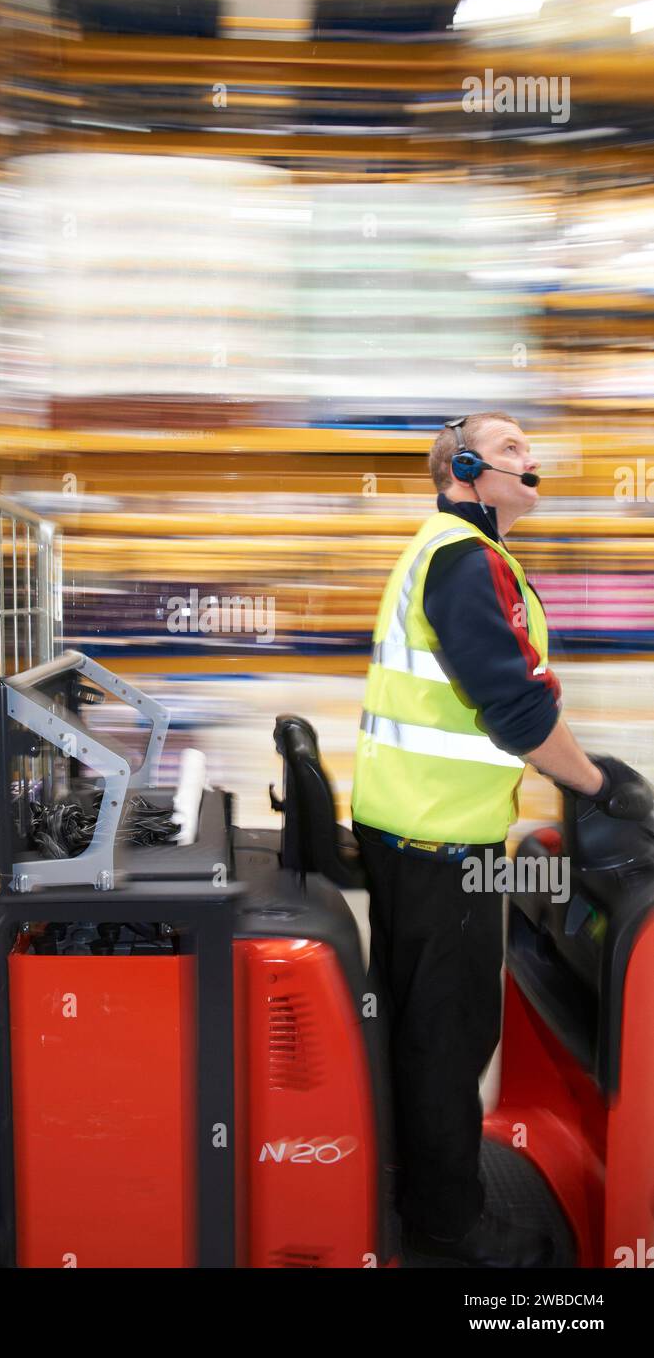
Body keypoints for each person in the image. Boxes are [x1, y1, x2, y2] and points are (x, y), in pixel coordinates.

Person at [351, 411, 640, 1267]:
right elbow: (511, 706)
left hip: (411, 826)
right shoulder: (464, 559)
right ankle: (450, 1224)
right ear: (464, 467)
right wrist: (598, 784)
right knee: (450, 1032)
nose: (533, 460)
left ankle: (413, 1182)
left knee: (419, 1026)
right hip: (444, 843)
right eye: (512, 448)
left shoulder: (448, 551)